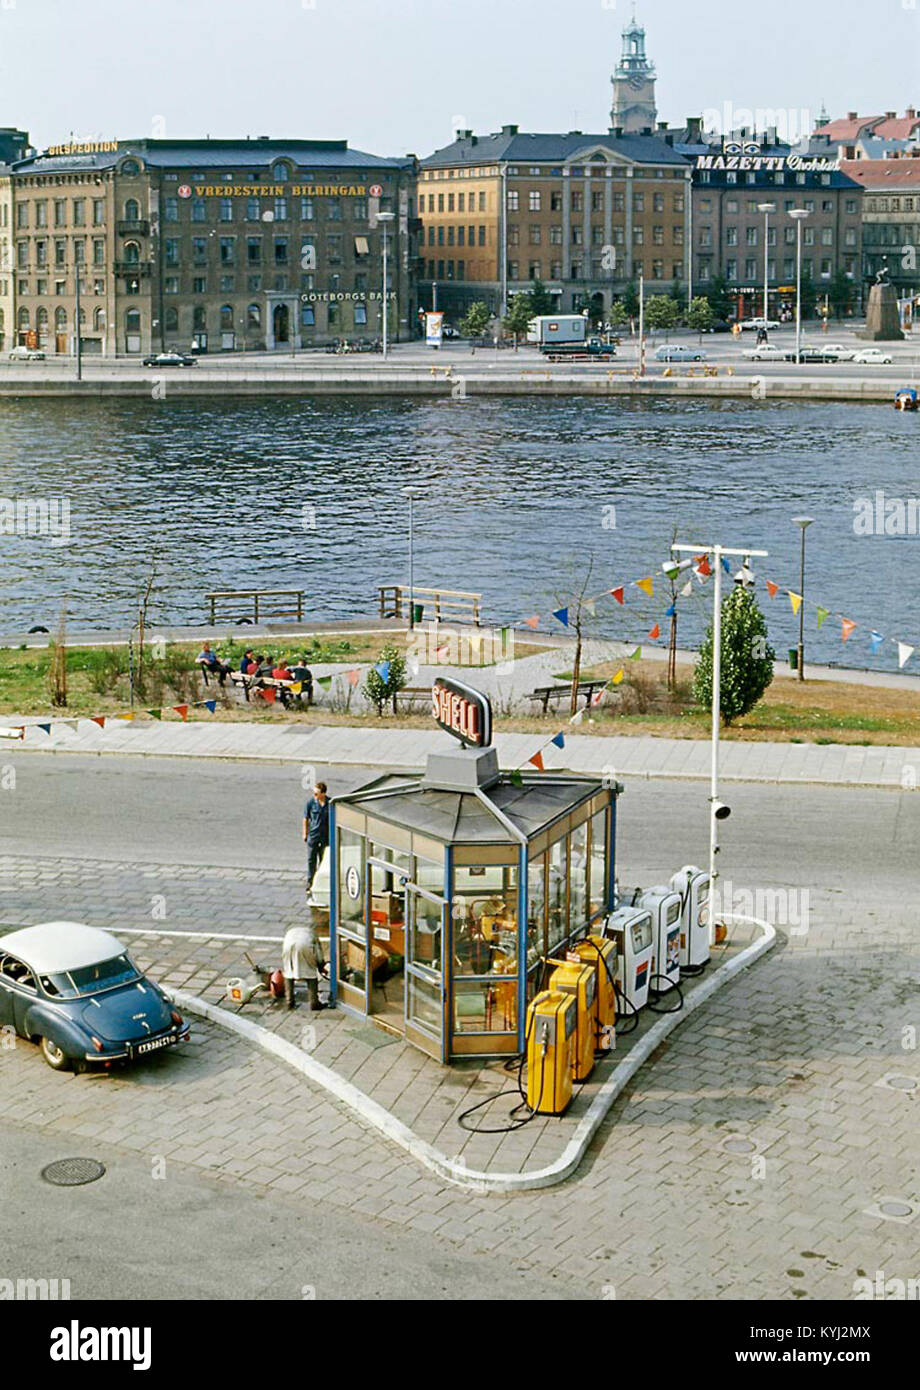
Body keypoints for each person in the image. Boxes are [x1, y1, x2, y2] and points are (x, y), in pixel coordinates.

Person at [281, 918, 326, 1010]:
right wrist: (321, 966)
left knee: (289, 971)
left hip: (288, 946)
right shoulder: (313, 935)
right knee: (310, 972)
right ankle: (314, 1002)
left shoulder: (290, 932)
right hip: (305, 945)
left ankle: (289, 1001)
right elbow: (318, 954)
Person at [303, 782, 330, 903]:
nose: (314, 795)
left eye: (316, 793)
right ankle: (310, 882)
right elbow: (306, 818)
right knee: (311, 859)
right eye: (314, 793)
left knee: (323, 859)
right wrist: (305, 833)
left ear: (323, 794)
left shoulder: (330, 803)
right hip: (313, 835)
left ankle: (322, 881)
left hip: (325, 836)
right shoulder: (311, 803)